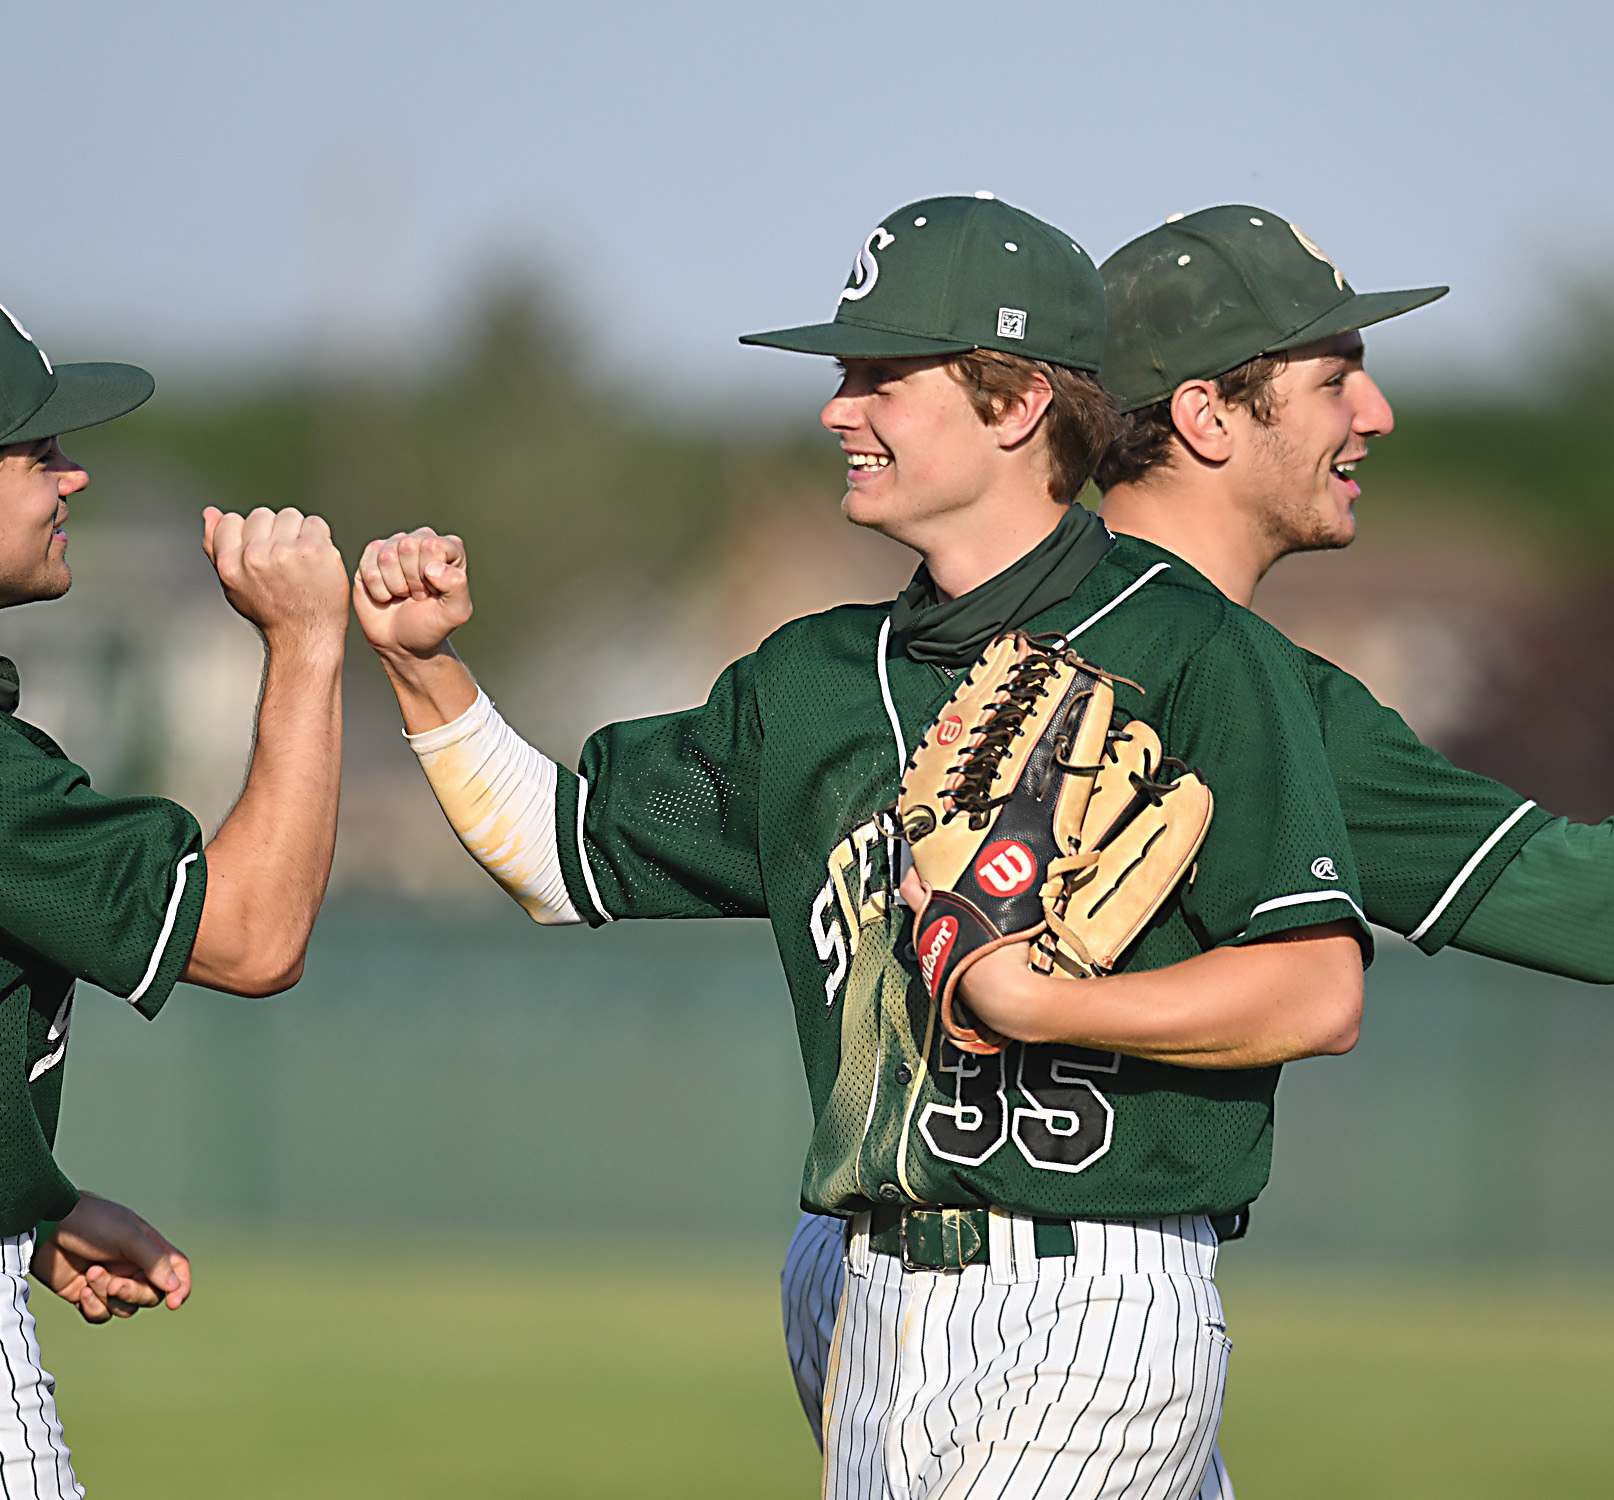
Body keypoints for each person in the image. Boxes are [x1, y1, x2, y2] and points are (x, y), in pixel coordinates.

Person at [772, 204, 1614, 1496]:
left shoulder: (913, 647)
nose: (1374, 416)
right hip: (1043, 1305)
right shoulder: (1244, 686)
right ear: (1209, 420)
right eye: (1334, 378)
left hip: (867, 1260)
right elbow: (1612, 903)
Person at [357, 195, 1375, 1500]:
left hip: (1089, 1289)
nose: (840, 409)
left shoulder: (1192, 654)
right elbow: (561, 854)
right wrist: (427, 674)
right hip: (869, 1300)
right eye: (844, 375)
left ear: (1014, 406)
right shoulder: (815, 683)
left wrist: (1040, 996)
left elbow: (1315, 986)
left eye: (882, 377)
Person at [0, 286, 350, 1497]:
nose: (72, 481)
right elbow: (253, 934)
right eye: (39, 454)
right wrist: (307, 645)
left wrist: (30, 1203)